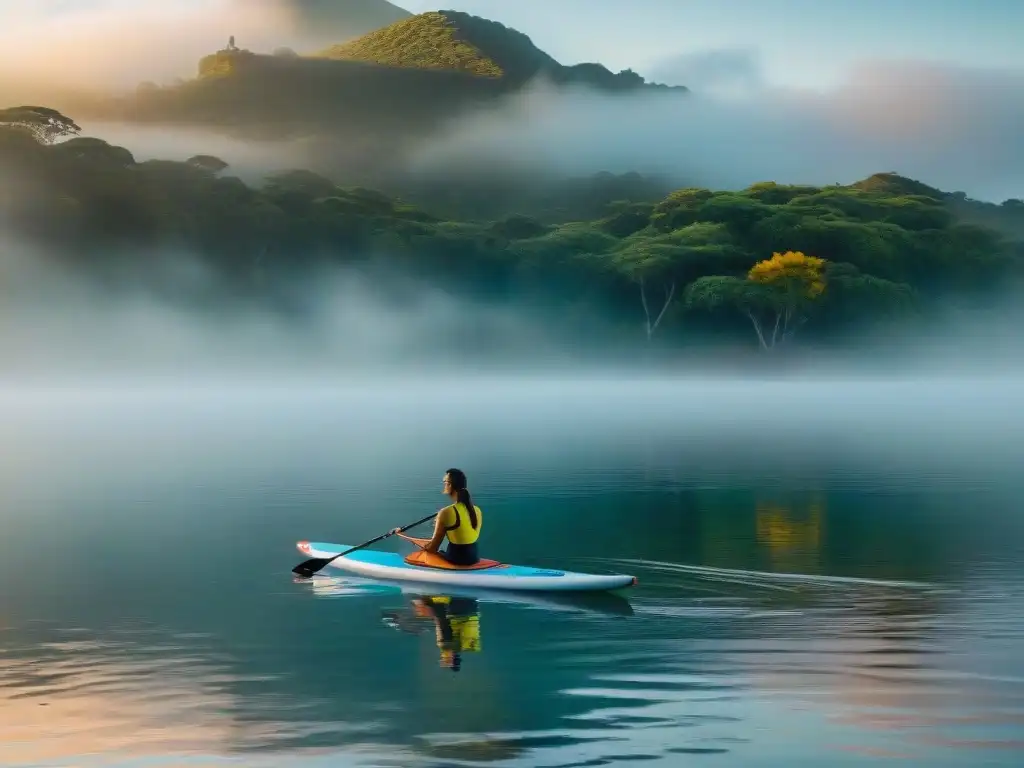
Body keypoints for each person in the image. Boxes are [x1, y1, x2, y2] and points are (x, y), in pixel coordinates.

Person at [392, 467, 482, 566]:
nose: (444, 485)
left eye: (445, 482)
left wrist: (405, 536)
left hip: (455, 559)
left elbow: (433, 548)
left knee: (425, 550)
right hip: (473, 558)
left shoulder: (445, 512)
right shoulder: (477, 510)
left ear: (450, 485)